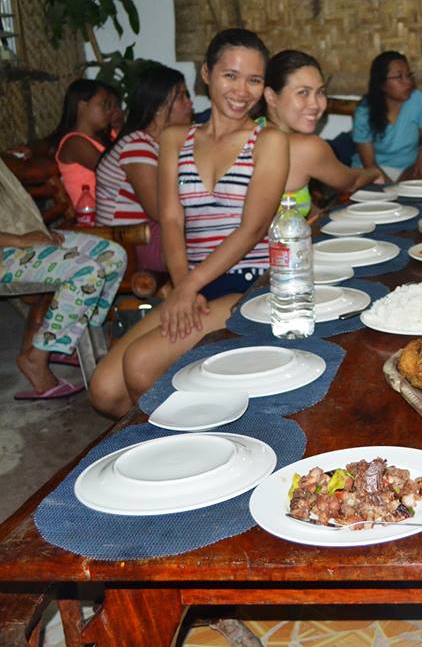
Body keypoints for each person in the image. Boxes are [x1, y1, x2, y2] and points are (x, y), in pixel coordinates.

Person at [89, 28, 288, 417]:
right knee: (105, 390)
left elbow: (251, 229)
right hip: (192, 278)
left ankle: (201, 442)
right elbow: (170, 217)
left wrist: (189, 286)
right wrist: (183, 286)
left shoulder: (269, 140)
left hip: (251, 280)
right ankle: (184, 425)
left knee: (141, 365)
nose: (241, 90)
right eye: (230, 75)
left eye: (254, 80)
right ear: (206, 74)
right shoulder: (175, 138)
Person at [1, 158, 126, 400]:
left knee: (113, 256)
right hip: (7, 250)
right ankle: (35, 358)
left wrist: (37, 230)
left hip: (18, 240)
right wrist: (21, 240)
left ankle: (71, 337)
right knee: (86, 272)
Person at [95, 65, 194, 271]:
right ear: (158, 106)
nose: (190, 103)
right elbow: (159, 211)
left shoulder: (159, 144)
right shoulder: (138, 145)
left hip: (148, 235)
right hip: (129, 243)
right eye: (182, 96)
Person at [263, 49, 383, 217]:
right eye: (303, 92)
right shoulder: (306, 147)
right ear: (271, 96)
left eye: (320, 92)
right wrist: (374, 172)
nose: (315, 104)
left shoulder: (251, 130)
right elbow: (351, 182)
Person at [351, 51, 422, 181]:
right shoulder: (364, 111)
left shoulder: (419, 99)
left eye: (409, 75)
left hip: (406, 170)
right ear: (381, 84)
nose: (408, 82)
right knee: (376, 182)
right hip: (373, 171)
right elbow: (369, 163)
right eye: (399, 77)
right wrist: (391, 189)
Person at [51, 79, 114, 207]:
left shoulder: (105, 136)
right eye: (103, 104)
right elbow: (112, 172)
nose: (109, 111)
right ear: (81, 105)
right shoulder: (75, 143)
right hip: (92, 218)